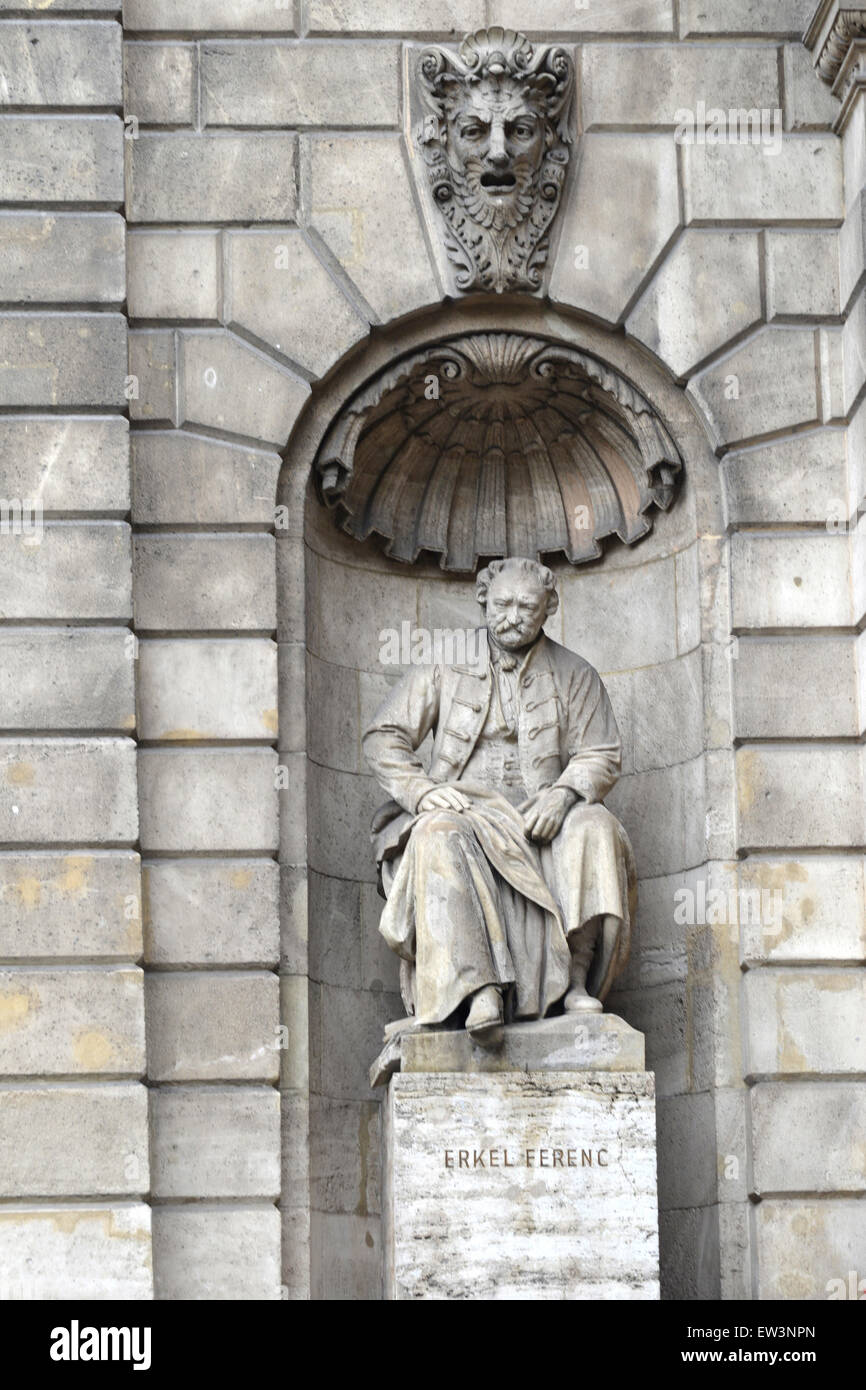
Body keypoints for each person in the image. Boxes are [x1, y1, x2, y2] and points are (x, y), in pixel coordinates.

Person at [363, 557, 636, 1045]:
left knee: (593, 826)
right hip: (463, 809)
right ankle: (478, 990)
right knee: (435, 833)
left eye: (526, 605)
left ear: (548, 609)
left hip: (540, 814)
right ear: (484, 600)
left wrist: (566, 794)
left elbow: (601, 751)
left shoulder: (575, 673)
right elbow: (384, 736)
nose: (513, 614)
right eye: (503, 603)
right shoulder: (445, 663)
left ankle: (573, 982)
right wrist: (423, 792)